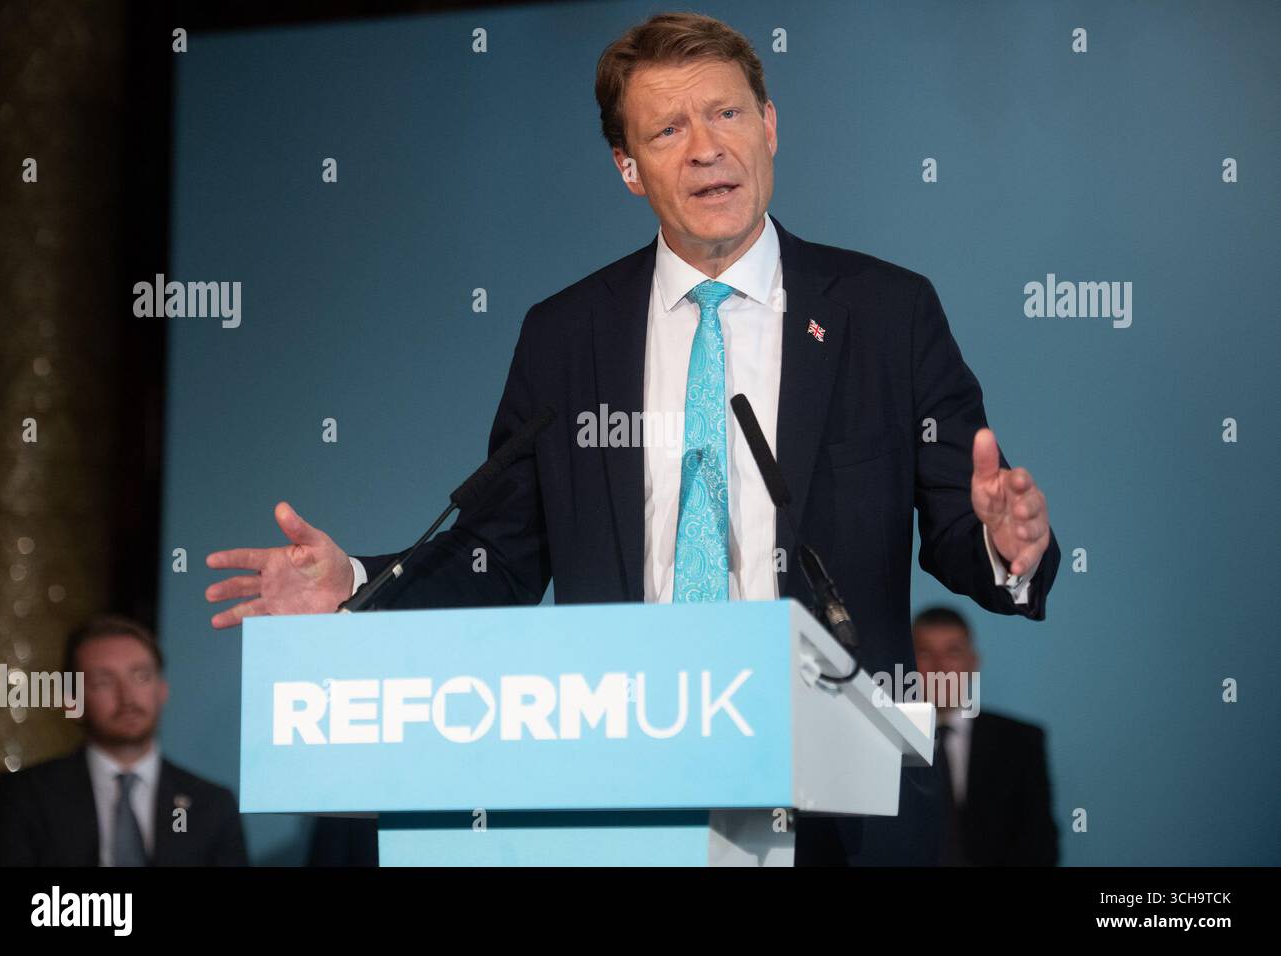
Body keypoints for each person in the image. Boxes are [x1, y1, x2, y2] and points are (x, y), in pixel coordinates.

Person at [205, 13, 1060, 866]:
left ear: (770, 125)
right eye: (666, 129)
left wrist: (1002, 541)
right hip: (622, 789)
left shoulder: (886, 312)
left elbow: (961, 526)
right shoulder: (567, 335)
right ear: (628, 168)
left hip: (838, 806)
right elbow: (498, 553)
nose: (704, 148)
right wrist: (357, 583)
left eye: (726, 114)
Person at [0, 615, 247, 866]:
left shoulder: (212, 805)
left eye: (141, 677)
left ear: (162, 690)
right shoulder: (25, 796)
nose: (127, 697)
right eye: (103, 682)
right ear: (71, 701)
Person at [857, 607, 1060, 866]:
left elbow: (1039, 844)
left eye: (952, 652)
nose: (940, 667)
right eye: (925, 653)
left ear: (972, 661)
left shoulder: (1020, 742)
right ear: (906, 662)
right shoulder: (879, 737)